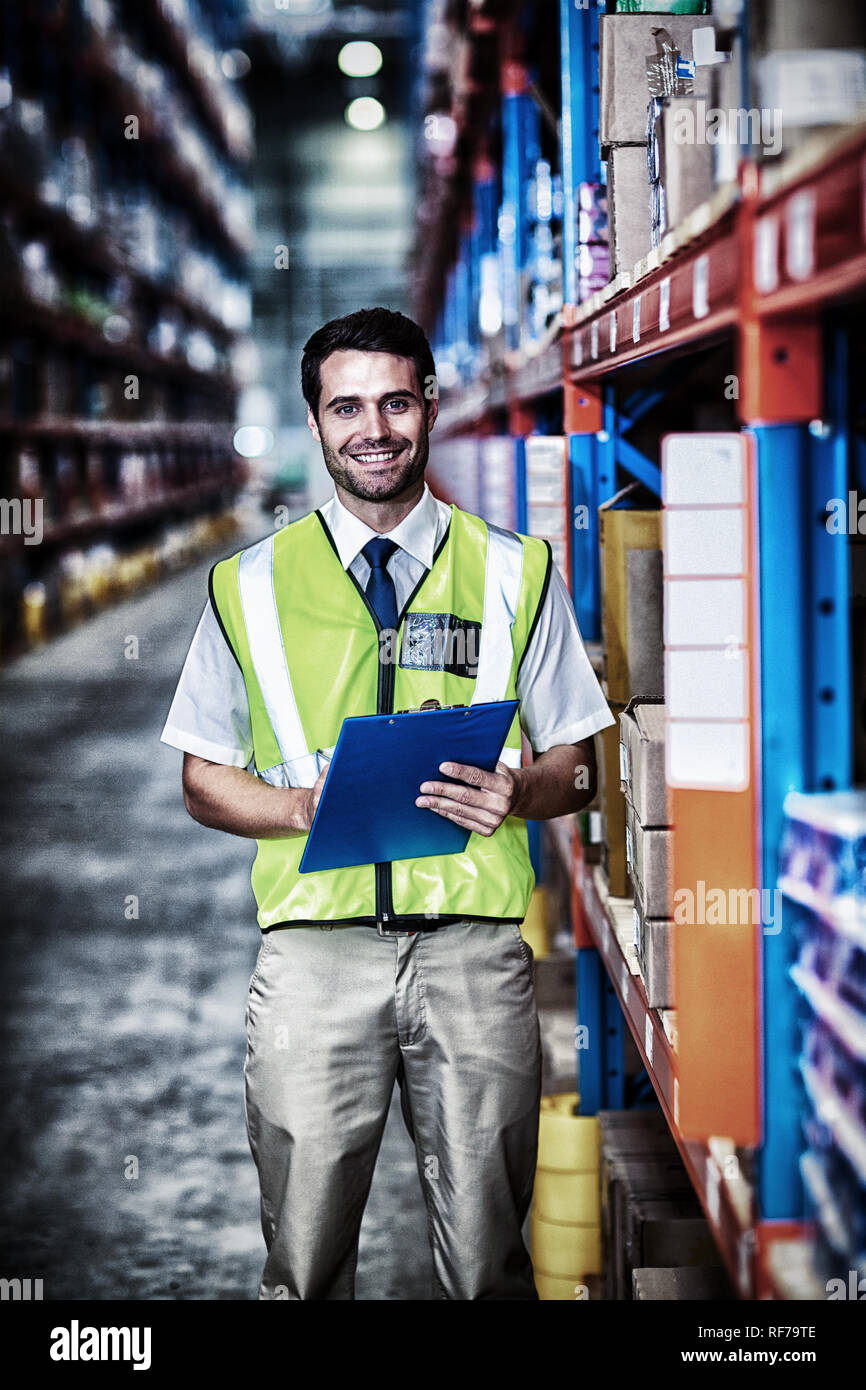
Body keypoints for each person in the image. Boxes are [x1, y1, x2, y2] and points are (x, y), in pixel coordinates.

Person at [160, 306, 614, 1300]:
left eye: (396, 402)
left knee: (490, 1262)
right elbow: (200, 776)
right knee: (304, 1263)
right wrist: (296, 811)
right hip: (313, 958)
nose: (375, 428)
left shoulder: (513, 572)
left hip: (471, 955)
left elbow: (582, 765)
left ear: (429, 408)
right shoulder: (249, 587)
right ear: (316, 423)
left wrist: (516, 789)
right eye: (348, 406)